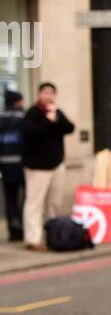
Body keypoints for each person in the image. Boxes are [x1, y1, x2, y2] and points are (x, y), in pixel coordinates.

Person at [22, 82, 75, 251]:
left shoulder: (56, 112)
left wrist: (56, 119)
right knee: (34, 204)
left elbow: (70, 128)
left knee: (53, 203)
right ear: (39, 94)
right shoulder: (32, 113)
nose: (49, 96)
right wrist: (48, 122)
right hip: (37, 167)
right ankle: (33, 239)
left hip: (56, 165)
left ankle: (53, 234)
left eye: (51, 93)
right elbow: (30, 133)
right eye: (45, 92)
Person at [0, 87, 26, 241]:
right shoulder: (22, 117)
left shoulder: (1, 117)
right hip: (22, 164)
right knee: (26, 198)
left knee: (10, 198)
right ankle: (22, 227)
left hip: (4, 164)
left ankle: (13, 231)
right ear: (17, 101)